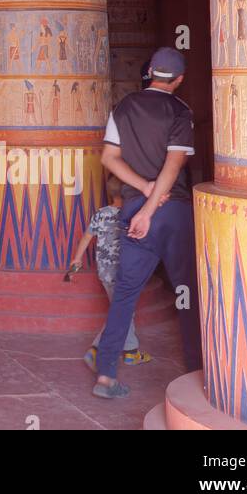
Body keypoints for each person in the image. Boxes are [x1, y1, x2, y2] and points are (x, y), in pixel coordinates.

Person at [92, 47, 203, 398]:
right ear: (180, 80)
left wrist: (141, 192)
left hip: (135, 206)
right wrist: (151, 207)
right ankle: (199, 372)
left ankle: (106, 375)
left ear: (151, 74)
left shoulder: (123, 108)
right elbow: (173, 166)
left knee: (125, 294)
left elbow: (108, 157)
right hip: (170, 212)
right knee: (185, 290)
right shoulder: (180, 111)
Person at [69, 175, 152, 372]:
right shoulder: (133, 214)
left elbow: (86, 238)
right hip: (125, 271)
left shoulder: (101, 213)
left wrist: (77, 260)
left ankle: (131, 350)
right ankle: (99, 349)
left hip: (104, 272)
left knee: (123, 308)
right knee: (122, 309)